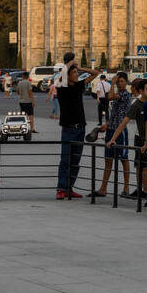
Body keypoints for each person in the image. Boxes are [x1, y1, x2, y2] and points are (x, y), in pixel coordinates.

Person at [55, 56, 96, 200]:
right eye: (74, 74)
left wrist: (79, 68)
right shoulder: (62, 88)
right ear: (67, 76)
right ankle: (61, 188)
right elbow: (60, 77)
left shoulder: (79, 86)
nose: (77, 76)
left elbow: (95, 73)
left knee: (75, 161)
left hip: (80, 128)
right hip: (68, 128)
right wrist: (69, 64)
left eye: (77, 74)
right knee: (65, 159)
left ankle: (69, 188)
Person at [95, 72, 132, 199]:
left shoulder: (126, 94)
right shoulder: (118, 94)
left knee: (123, 158)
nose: (120, 83)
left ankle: (126, 187)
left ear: (126, 82)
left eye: (122, 81)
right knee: (108, 159)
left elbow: (110, 96)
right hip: (111, 129)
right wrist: (107, 124)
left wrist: (111, 83)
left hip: (121, 130)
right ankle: (103, 188)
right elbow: (115, 112)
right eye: (118, 81)